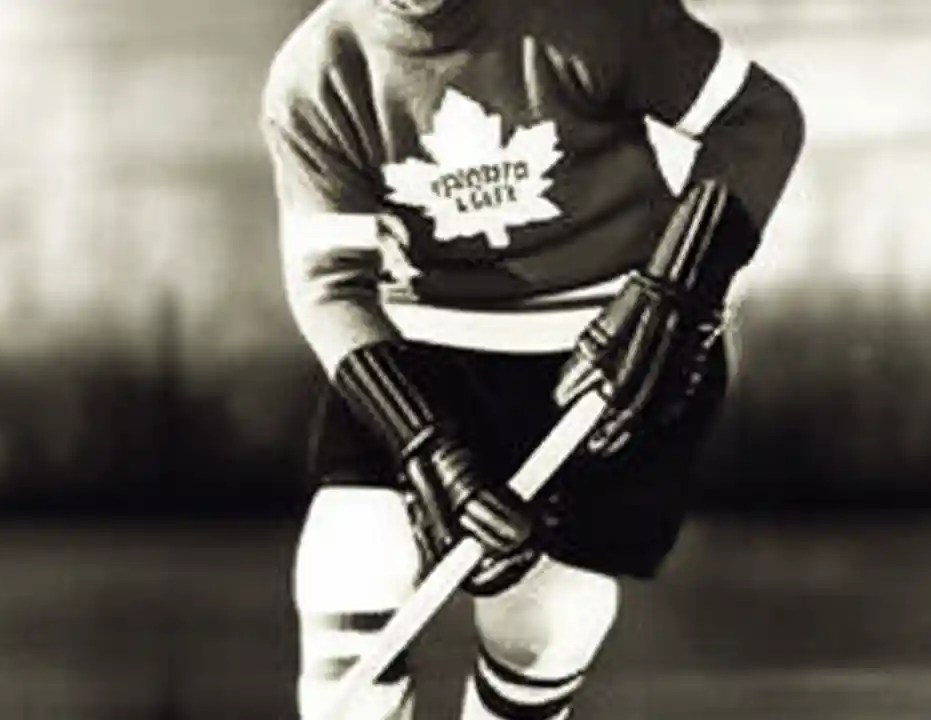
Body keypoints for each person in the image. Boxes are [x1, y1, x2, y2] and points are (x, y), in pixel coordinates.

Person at [260, 0, 804, 716]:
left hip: (606, 350)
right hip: (428, 346)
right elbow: (333, 286)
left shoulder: (585, 13)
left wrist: (674, 288)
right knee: (351, 570)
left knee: (544, 622)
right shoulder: (320, 68)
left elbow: (760, 118)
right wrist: (425, 443)